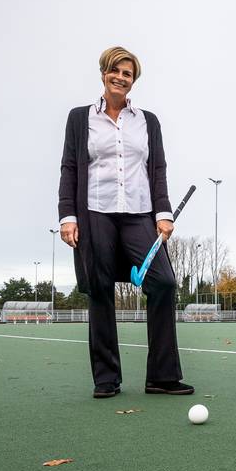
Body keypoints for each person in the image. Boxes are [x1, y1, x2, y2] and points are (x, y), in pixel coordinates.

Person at [57, 46, 192, 399]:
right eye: (115, 70)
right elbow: (70, 168)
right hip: (95, 212)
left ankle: (162, 377)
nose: (121, 77)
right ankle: (106, 379)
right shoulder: (79, 118)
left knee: (163, 283)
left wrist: (162, 213)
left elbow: (158, 169)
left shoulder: (148, 121)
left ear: (133, 81)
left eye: (128, 74)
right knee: (100, 289)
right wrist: (67, 216)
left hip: (139, 214)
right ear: (104, 73)